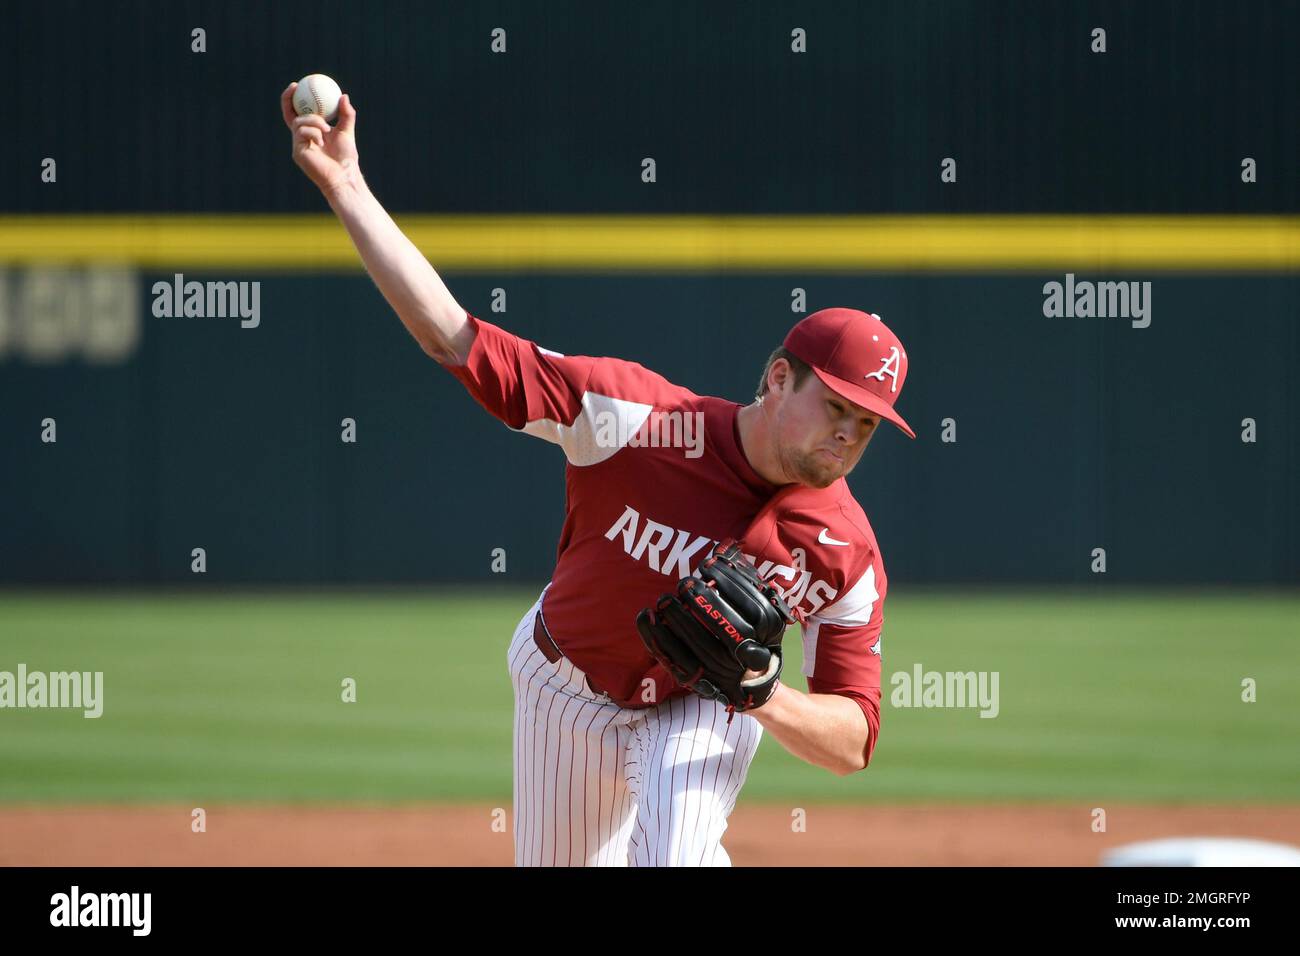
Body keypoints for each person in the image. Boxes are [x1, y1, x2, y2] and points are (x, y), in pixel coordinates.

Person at [282, 83, 916, 867]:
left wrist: (761, 694)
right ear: (778, 378)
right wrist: (347, 186)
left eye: (866, 424)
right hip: (565, 687)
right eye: (836, 406)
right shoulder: (635, 420)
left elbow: (854, 739)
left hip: (704, 704)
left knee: (674, 857)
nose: (847, 435)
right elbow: (454, 338)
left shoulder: (843, 550)